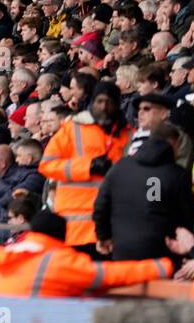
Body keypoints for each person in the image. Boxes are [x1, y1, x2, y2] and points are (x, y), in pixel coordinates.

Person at [0, 210, 173, 297]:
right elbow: (110, 274)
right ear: (61, 236)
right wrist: (163, 266)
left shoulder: (12, 253)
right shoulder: (58, 261)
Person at [39, 81, 131, 249]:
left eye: (109, 102)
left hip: (114, 228)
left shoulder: (128, 134)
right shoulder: (72, 129)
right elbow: (46, 165)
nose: (104, 107)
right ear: (92, 103)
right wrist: (87, 167)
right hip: (75, 229)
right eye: (100, 101)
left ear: (118, 104)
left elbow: (144, 179)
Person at [93, 122, 194, 261]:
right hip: (162, 256)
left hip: (122, 252)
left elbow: (100, 206)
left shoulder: (120, 167)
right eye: (178, 146)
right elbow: (187, 216)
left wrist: (103, 236)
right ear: (172, 143)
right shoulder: (176, 174)